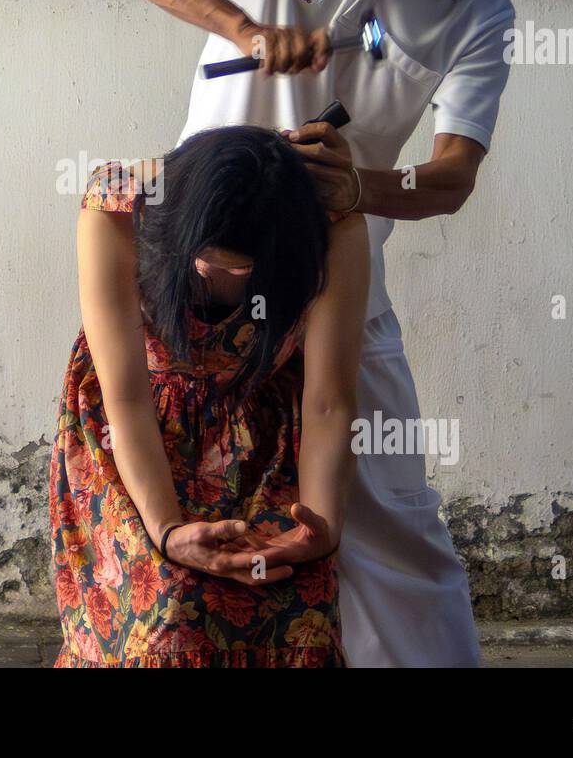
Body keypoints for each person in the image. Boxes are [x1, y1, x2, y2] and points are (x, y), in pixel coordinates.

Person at [115, 0, 566, 667]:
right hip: (194, 271)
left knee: (390, 524)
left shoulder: (479, 10)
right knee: (156, 499)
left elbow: (452, 177)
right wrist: (241, 26)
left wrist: (357, 185)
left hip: (337, 279)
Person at [49, 124, 370, 667]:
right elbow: (124, 397)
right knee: (173, 611)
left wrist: (319, 528)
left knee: (299, 610)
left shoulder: (330, 221)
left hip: (262, 435)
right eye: (205, 258)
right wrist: (169, 533)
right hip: (135, 435)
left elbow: (329, 401)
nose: (215, 276)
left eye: (240, 269)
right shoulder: (118, 208)